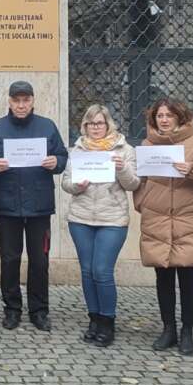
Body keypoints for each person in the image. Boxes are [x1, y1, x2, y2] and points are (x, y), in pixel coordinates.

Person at [134, 98, 193, 356]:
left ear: (179, 117)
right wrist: (142, 202)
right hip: (157, 219)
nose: (164, 120)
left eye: (169, 115)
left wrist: (192, 169)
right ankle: (168, 329)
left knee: (188, 279)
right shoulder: (148, 145)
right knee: (163, 278)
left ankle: (187, 331)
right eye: (159, 115)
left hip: (188, 220)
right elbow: (140, 179)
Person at [0, 81, 68, 332]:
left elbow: (63, 156)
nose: (21, 105)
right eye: (16, 100)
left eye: (25, 100)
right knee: (9, 260)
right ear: (9, 101)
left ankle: (39, 311)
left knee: (39, 261)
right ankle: (12, 309)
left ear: (32, 101)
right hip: (7, 205)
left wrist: (56, 162)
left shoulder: (47, 126)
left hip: (39, 206)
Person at [60, 105, 139, 348]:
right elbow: (65, 183)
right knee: (87, 271)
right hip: (81, 218)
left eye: (99, 123)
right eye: (90, 123)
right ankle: (93, 318)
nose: (95, 127)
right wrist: (77, 186)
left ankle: (107, 321)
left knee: (102, 270)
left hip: (112, 219)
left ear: (108, 125)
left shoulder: (124, 150)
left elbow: (133, 184)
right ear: (85, 126)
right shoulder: (78, 150)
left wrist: (122, 169)